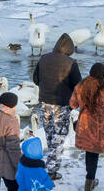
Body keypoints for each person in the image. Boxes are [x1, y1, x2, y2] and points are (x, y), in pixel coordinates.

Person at [32, 32, 81, 179]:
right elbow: (78, 85)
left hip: (44, 102)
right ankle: (51, 170)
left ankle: (50, 163)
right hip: (62, 104)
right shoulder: (71, 63)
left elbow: (35, 79)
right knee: (59, 136)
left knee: (49, 133)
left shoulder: (44, 58)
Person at [69, 62, 104, 191]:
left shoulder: (80, 86)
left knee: (88, 153)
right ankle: (88, 185)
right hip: (98, 126)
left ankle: (89, 181)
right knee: (93, 154)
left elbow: (72, 104)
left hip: (84, 124)